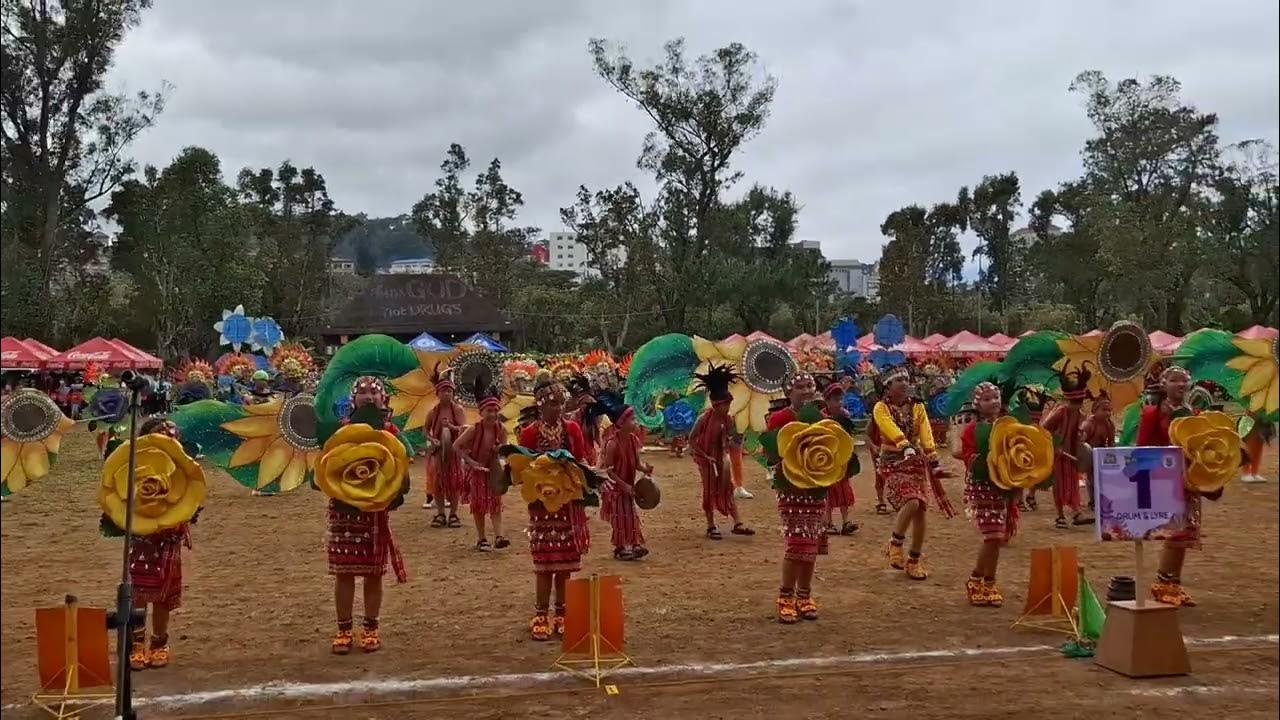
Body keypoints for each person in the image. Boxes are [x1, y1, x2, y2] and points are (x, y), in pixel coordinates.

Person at [327, 376, 409, 654]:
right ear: (353, 400)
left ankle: (371, 628)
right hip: (344, 511)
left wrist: (391, 495)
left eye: (375, 392)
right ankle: (344, 629)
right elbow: (326, 469)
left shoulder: (391, 432)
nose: (369, 397)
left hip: (375, 511)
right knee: (344, 573)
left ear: (383, 399)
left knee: (374, 574)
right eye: (362, 392)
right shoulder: (340, 431)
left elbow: (402, 468)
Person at [119, 418, 199, 671]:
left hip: (169, 537)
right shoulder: (133, 465)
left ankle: (159, 643)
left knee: (164, 595)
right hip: (142, 538)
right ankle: (136, 644)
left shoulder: (183, 470)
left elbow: (191, 499)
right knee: (139, 592)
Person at [1139, 366, 1219, 607]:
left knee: (1187, 532)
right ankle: (1162, 584)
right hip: (1166, 480)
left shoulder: (1193, 413)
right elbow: (1141, 448)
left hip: (1189, 480)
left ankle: (1173, 584)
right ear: (1164, 385)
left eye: (1184, 380)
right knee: (1175, 531)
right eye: (1174, 380)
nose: (1181, 385)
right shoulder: (1153, 413)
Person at [517, 379, 590, 641]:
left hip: (567, 505)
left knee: (565, 564)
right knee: (544, 564)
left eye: (560, 403)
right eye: (552, 404)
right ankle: (540, 614)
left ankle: (562, 612)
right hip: (541, 506)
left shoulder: (571, 430)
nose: (557, 409)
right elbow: (522, 470)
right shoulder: (528, 434)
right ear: (540, 405)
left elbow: (581, 462)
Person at [873, 365, 953, 580]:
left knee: (920, 511)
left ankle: (914, 560)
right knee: (913, 501)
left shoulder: (917, 406)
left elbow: (926, 431)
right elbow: (888, 426)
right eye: (900, 380)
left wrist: (933, 458)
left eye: (907, 379)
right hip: (892, 461)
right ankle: (895, 543)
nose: (905, 383)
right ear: (888, 386)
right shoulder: (881, 407)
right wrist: (904, 444)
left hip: (916, 461)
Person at [764, 373, 832, 623]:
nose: (805, 391)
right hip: (792, 491)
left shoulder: (823, 420)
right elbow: (770, 457)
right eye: (800, 387)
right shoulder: (779, 419)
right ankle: (786, 596)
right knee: (795, 546)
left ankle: (804, 595)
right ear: (788, 393)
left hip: (817, 489)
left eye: (809, 386)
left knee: (812, 546)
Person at [951, 382, 1017, 607]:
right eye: (988, 399)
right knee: (993, 536)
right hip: (981, 486)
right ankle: (976, 579)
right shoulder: (972, 429)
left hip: (1002, 487)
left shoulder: (1008, 425)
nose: (994, 402)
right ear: (978, 404)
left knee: (998, 538)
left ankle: (989, 582)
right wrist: (989, 459)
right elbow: (969, 457)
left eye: (996, 397)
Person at [688, 363, 755, 540]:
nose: (728, 407)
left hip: (719, 457)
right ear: (717, 404)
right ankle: (711, 525)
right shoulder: (704, 418)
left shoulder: (728, 419)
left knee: (728, 487)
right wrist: (705, 456)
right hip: (705, 459)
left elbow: (730, 437)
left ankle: (738, 523)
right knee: (709, 490)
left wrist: (728, 444)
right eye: (726, 404)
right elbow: (691, 440)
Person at [453, 382, 509, 551]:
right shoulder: (473, 430)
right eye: (489, 411)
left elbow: (504, 451)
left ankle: (499, 536)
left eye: (495, 410)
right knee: (478, 506)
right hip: (477, 472)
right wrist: (471, 463)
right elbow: (456, 446)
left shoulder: (502, 429)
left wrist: (499, 454)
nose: (492, 414)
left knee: (495, 504)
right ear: (481, 412)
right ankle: (482, 538)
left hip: (492, 471)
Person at [1041, 363, 1091, 528]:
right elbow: (1044, 429)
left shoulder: (1080, 413)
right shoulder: (1061, 411)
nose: (1077, 404)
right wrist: (1055, 446)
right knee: (1060, 484)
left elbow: (1080, 432)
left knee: (1072, 483)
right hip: (1058, 453)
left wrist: (1081, 436)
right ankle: (1060, 516)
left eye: (1079, 401)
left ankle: (1076, 512)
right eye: (1076, 401)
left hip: (1072, 453)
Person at [599, 402, 651, 560]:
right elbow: (609, 471)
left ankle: (635, 544)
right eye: (632, 419)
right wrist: (623, 485)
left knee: (631, 516)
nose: (635, 422)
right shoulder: (612, 444)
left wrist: (645, 469)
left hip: (628, 487)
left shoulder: (633, 440)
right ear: (622, 423)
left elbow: (636, 463)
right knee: (620, 518)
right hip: (615, 488)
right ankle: (620, 548)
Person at [424, 369, 466, 527]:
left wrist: (452, 427)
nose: (447, 394)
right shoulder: (433, 412)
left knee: (454, 483)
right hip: (437, 452)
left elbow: (464, 429)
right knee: (438, 483)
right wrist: (432, 439)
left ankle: (454, 514)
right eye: (443, 391)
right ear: (438, 393)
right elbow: (425, 430)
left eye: (449, 391)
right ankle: (441, 513)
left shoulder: (458, 410)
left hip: (454, 452)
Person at [820, 381, 858, 536]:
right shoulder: (822, 417)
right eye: (835, 400)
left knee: (843, 489)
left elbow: (849, 437)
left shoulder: (844, 416)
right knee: (828, 491)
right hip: (826, 459)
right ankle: (827, 521)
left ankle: (846, 521)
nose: (839, 403)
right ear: (827, 401)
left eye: (840, 399)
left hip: (842, 459)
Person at [1079, 391, 1115, 506]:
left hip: (1102, 455)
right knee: (1092, 478)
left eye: (1109, 410)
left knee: (1103, 479)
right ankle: (1093, 501)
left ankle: (1102, 498)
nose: (1107, 413)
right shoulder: (1089, 424)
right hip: (1090, 454)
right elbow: (1081, 442)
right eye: (1104, 410)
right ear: (1095, 410)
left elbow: (1111, 442)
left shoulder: (1109, 425)